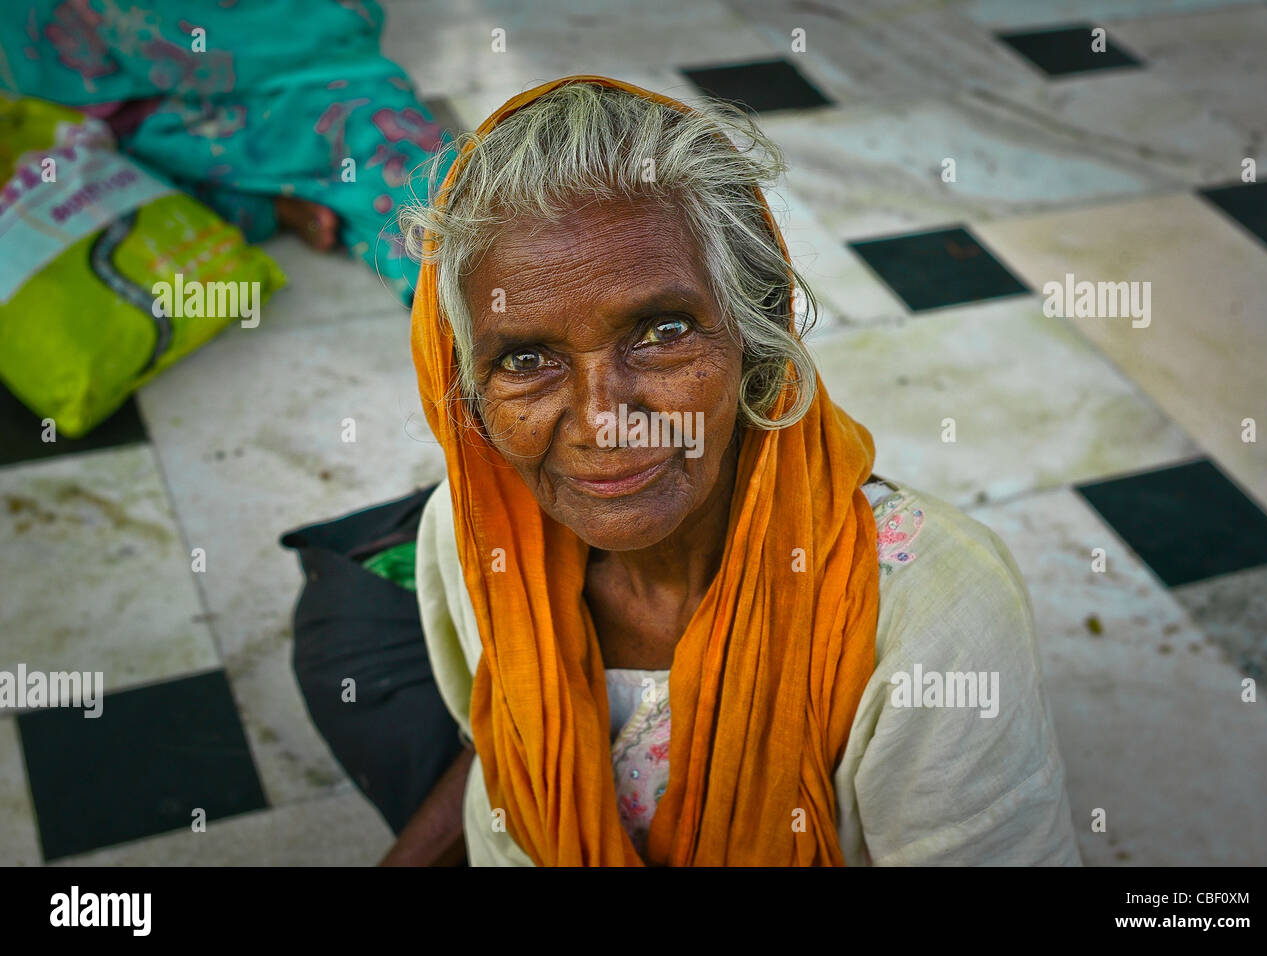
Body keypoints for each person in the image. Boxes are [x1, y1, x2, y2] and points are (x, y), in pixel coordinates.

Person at [384, 75, 1081, 866]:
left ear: (757, 330)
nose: (602, 415)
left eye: (663, 330)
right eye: (526, 358)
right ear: (468, 392)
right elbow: (503, 760)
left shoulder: (933, 614)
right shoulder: (472, 532)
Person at [1, 0, 448, 303]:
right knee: (72, 177)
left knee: (443, 209)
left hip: (287, 49)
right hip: (118, 100)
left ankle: (271, 198)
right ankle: (271, 202)